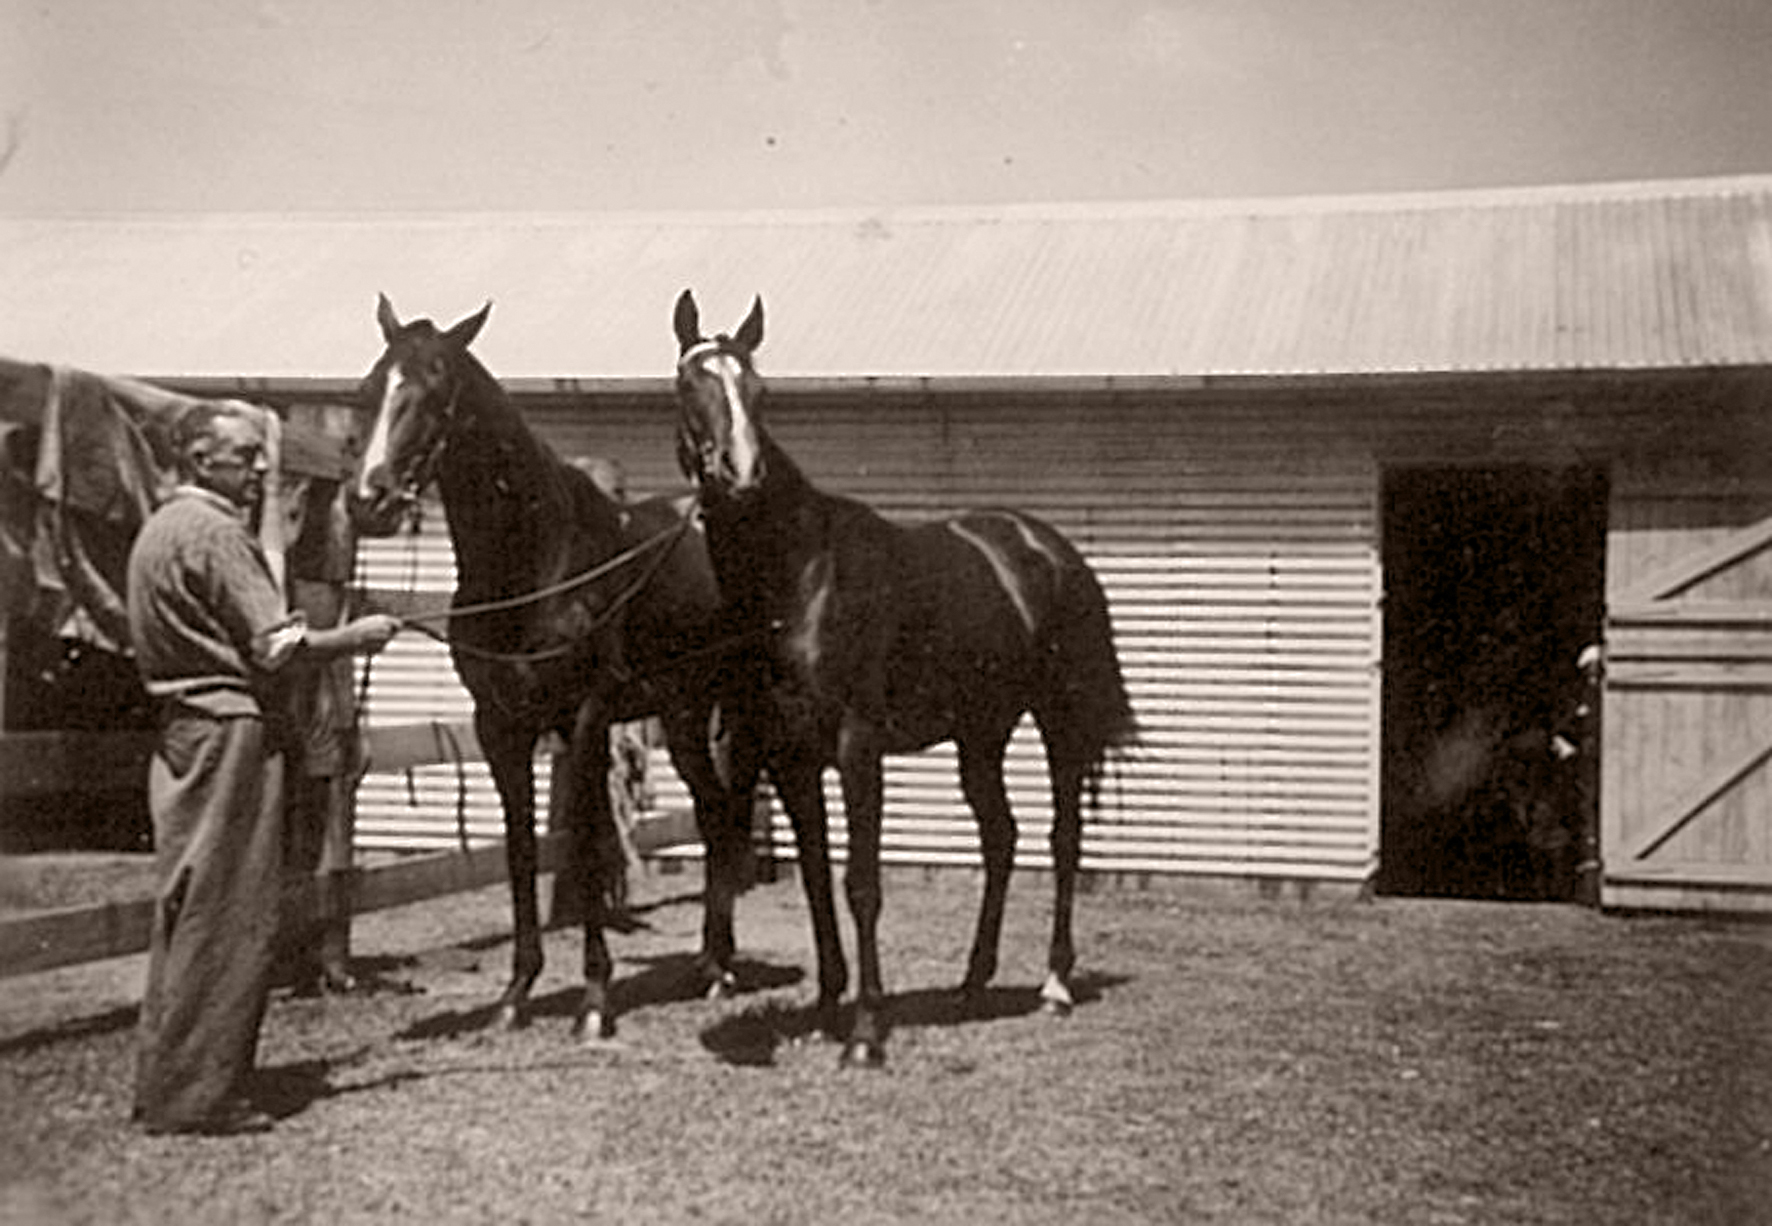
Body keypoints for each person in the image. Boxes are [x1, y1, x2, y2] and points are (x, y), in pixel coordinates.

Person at [126, 402, 400, 1136]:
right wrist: (357, 636)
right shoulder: (216, 535)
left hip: (182, 736)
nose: (258, 471)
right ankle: (199, 1099)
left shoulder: (159, 529)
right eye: (244, 456)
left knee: (186, 905)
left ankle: (164, 1082)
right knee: (229, 911)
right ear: (198, 461)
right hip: (229, 734)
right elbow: (278, 645)